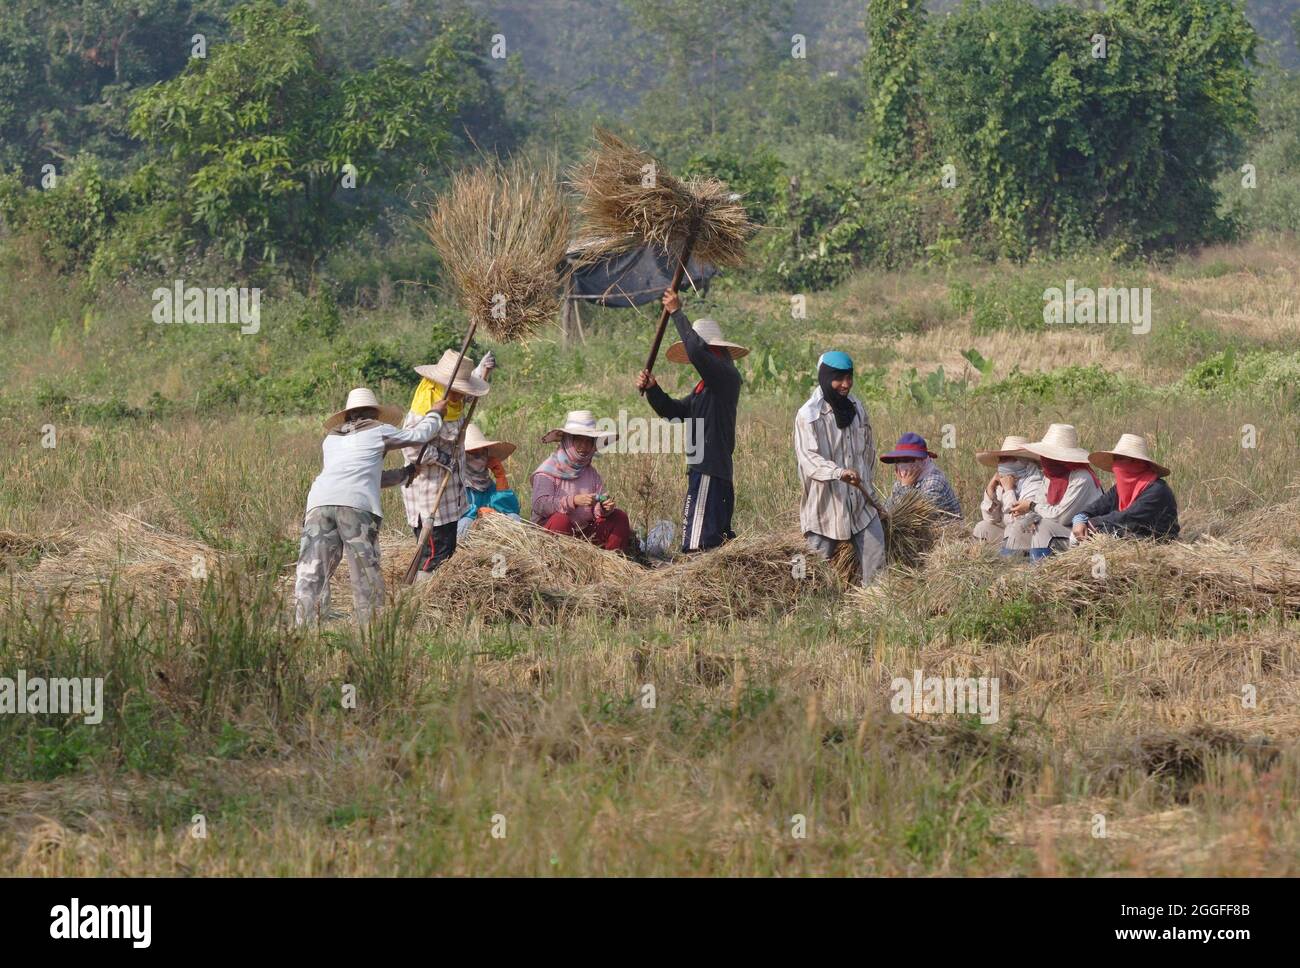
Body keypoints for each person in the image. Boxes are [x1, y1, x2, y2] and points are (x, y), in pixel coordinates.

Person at [296, 387, 446, 626]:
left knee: (314, 568)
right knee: (364, 572)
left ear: (348, 415)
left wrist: (404, 474)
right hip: (356, 507)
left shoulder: (331, 439)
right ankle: (371, 627)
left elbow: (362, 475)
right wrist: (435, 414)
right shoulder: (378, 431)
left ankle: (305, 625)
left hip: (319, 504)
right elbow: (419, 435)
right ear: (372, 414)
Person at [635, 287, 746, 552]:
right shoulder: (705, 388)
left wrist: (676, 313)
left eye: (703, 354)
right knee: (713, 540)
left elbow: (697, 353)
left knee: (697, 543)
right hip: (706, 467)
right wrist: (653, 388)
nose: (699, 360)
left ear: (713, 353)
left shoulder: (726, 378)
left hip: (709, 467)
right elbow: (674, 413)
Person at [794, 350, 885, 585]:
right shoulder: (808, 416)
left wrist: (868, 484)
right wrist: (839, 472)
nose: (846, 385)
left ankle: (874, 609)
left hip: (861, 506)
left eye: (849, 377)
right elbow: (809, 460)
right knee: (810, 575)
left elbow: (868, 451)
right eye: (839, 379)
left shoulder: (856, 408)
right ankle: (806, 613)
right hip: (826, 508)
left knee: (877, 567)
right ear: (825, 378)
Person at [401, 349, 493, 580]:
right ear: (440, 385)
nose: (458, 396)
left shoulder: (456, 401)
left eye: (461, 391)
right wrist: (443, 459)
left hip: (450, 494)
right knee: (433, 553)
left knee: (447, 549)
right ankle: (425, 597)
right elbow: (412, 448)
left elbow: (470, 394)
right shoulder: (424, 410)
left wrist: (483, 372)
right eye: (454, 390)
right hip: (430, 495)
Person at [530, 410, 632, 552]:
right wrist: (573, 501)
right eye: (578, 440)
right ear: (567, 441)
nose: (584, 447)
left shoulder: (591, 473)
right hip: (552, 534)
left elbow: (597, 508)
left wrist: (604, 508)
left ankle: (612, 563)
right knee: (561, 520)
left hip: (583, 533)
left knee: (619, 517)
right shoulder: (547, 470)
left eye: (588, 441)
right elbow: (540, 504)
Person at [1073, 434, 1180, 542]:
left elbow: (1128, 518)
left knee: (1097, 531)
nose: (1117, 465)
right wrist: (1080, 519)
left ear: (1138, 462)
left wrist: (1091, 523)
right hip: (1128, 535)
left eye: (1122, 459)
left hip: (1155, 541)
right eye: (1116, 459)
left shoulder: (1157, 490)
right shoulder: (1119, 489)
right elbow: (1097, 507)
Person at [1021, 423, 1104, 561]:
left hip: (1084, 535)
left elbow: (1061, 517)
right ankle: (1014, 569)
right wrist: (1032, 517)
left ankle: (1037, 575)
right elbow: (1039, 502)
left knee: (1043, 528)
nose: (1044, 461)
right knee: (1021, 526)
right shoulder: (1050, 476)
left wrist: (1032, 506)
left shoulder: (1082, 478)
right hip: (1062, 529)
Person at [972, 435, 1043, 556]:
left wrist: (1009, 491)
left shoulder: (1035, 483)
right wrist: (990, 490)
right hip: (1010, 535)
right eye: (1001, 459)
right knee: (982, 527)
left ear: (1021, 461)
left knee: (1013, 529)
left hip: (1029, 537)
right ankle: (985, 560)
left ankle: (1012, 563)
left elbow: (1021, 521)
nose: (1001, 463)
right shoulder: (1004, 483)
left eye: (1007, 458)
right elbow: (991, 519)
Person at [458, 423, 523, 539]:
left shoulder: (488, 484)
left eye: (481, 452)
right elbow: (456, 512)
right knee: (465, 522)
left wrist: (500, 476)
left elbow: (511, 509)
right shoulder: (455, 482)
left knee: (514, 518)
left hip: (491, 532)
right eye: (473, 453)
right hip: (467, 533)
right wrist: (478, 512)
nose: (479, 457)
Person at [880, 432, 962, 518]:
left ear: (922, 460)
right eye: (898, 461)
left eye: (907, 460)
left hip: (943, 529)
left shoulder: (935, 482)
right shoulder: (900, 484)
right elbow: (888, 511)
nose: (902, 465)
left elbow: (915, 516)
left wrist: (905, 486)